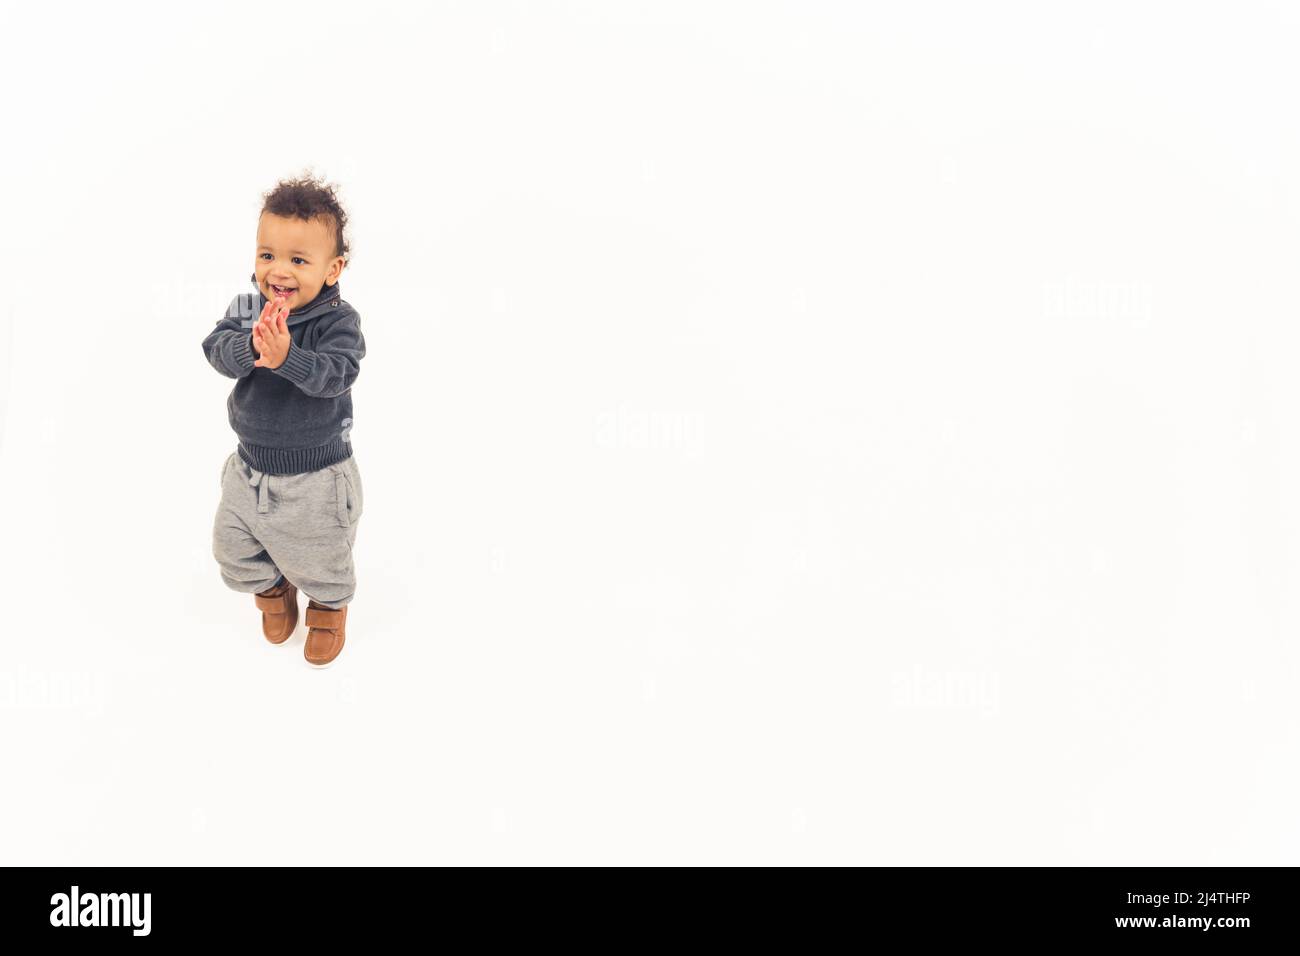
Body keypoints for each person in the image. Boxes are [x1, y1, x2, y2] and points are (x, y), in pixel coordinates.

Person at [202, 172, 366, 667]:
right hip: (250, 465)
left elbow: (338, 374)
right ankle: (274, 588)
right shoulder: (249, 306)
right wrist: (250, 346)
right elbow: (215, 349)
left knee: (323, 558)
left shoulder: (339, 321)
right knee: (232, 550)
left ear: (333, 268)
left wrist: (288, 357)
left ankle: (327, 605)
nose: (279, 270)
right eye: (267, 255)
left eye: (299, 260)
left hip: (316, 474)